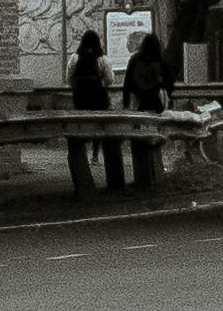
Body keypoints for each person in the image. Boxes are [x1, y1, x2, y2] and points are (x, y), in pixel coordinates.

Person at [67, 27, 123, 196]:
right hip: (99, 100)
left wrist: (78, 90)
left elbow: (69, 79)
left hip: (80, 101)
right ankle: (97, 156)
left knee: (81, 129)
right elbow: (109, 81)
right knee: (102, 127)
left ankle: (83, 157)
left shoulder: (75, 58)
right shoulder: (102, 59)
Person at [122, 27, 169, 192]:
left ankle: (141, 177)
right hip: (155, 104)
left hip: (139, 104)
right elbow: (165, 84)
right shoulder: (159, 61)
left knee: (139, 139)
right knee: (154, 138)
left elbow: (127, 83)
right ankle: (155, 174)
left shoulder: (135, 60)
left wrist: (126, 102)